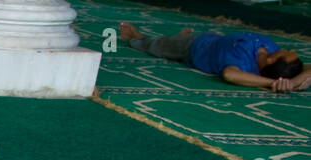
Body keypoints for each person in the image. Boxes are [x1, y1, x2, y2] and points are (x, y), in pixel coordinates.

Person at [119, 22, 309, 91]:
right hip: (213, 39)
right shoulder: (269, 52)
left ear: (271, 61)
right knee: (172, 42)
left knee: (157, 46)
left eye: (288, 53)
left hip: (193, 47)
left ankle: (137, 38)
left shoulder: (243, 63)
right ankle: (180, 36)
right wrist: (291, 83)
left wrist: (271, 83)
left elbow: (229, 75)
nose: (292, 50)